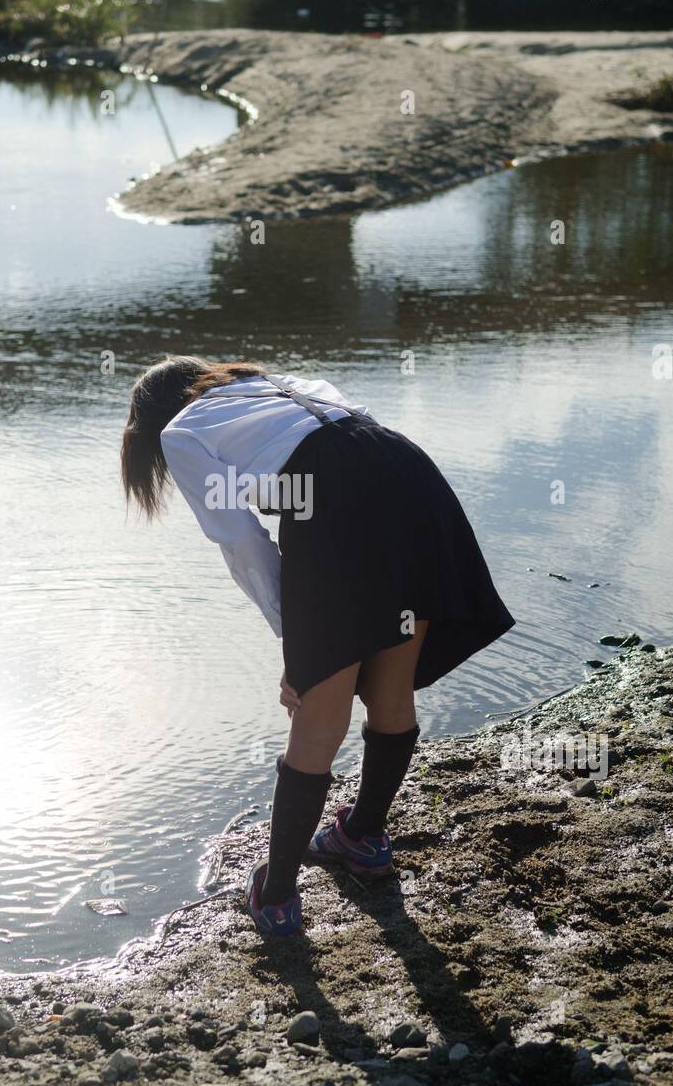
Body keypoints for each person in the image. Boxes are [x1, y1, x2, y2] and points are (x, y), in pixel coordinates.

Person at [121, 356, 515, 937]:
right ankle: (362, 837)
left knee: (317, 716)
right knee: (391, 686)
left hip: (335, 499)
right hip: (410, 475)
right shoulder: (279, 384)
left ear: (150, 421)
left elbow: (241, 540)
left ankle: (277, 895)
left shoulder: (180, 432)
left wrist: (298, 641)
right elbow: (360, 445)